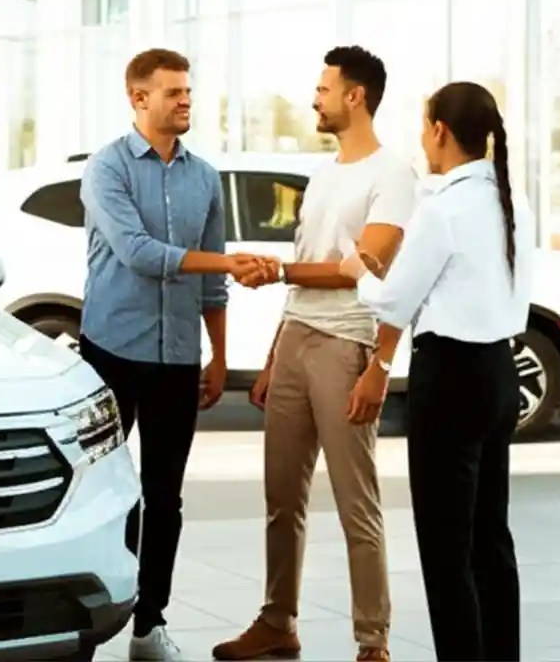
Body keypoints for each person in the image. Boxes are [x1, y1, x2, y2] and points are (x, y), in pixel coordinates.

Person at [212, 45, 416, 662]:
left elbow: (363, 268)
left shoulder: (393, 175)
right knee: (281, 499)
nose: (315, 99)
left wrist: (378, 366)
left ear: (356, 96)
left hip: (347, 344)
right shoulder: (323, 174)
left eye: (324, 90)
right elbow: (307, 271)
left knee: (357, 503)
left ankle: (373, 642)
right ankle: (277, 622)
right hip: (297, 339)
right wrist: (275, 355)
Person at [79, 47, 274, 661]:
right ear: (139, 98)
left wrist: (219, 356)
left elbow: (212, 284)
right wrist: (229, 262)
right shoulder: (106, 168)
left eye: (188, 90)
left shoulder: (204, 177)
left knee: (165, 498)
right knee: (101, 495)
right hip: (111, 352)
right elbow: (139, 253)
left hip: (178, 358)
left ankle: (148, 625)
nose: (186, 100)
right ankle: (88, 623)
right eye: (173, 92)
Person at [339, 81, 531, 661]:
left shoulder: (443, 209)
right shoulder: (510, 202)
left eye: (425, 127)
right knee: (490, 539)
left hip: (450, 378)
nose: (423, 138)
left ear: (440, 131)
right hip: (500, 371)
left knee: (447, 549)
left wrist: (357, 270)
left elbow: (393, 300)